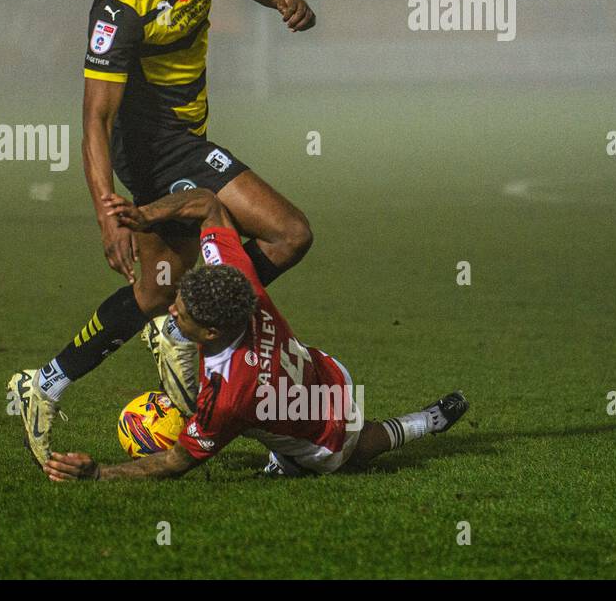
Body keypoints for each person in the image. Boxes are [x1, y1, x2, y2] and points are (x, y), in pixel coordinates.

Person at [9, 0, 319, 465]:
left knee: (155, 292)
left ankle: (44, 383)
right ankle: (188, 326)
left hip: (185, 135)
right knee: (289, 231)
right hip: (157, 148)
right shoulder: (122, 4)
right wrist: (109, 216)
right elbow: (95, 121)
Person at [40, 188, 468, 482]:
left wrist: (100, 474)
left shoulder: (228, 396)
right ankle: (424, 420)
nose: (172, 308)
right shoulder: (239, 281)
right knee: (317, 425)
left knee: (354, 452)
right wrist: (148, 216)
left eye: (181, 313)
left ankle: (418, 423)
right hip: (329, 375)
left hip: (322, 439)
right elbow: (208, 203)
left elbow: (178, 460)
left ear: (210, 330)